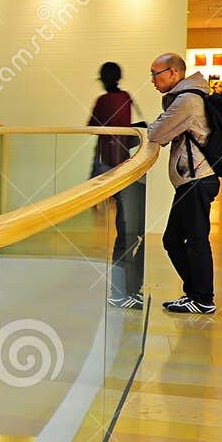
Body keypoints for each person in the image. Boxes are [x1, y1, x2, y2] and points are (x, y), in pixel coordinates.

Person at [146, 53, 219, 315]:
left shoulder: (187, 100)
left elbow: (156, 133)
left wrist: (156, 126)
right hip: (192, 179)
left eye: (155, 74)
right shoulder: (184, 98)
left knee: (195, 239)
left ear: (174, 73)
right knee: (173, 239)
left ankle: (202, 298)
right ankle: (195, 294)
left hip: (196, 179)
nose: (152, 80)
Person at [89, 62, 145, 309]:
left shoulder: (103, 101)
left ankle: (119, 290)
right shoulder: (126, 98)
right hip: (123, 163)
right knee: (127, 225)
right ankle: (123, 288)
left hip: (107, 162)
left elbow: (92, 126)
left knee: (124, 227)